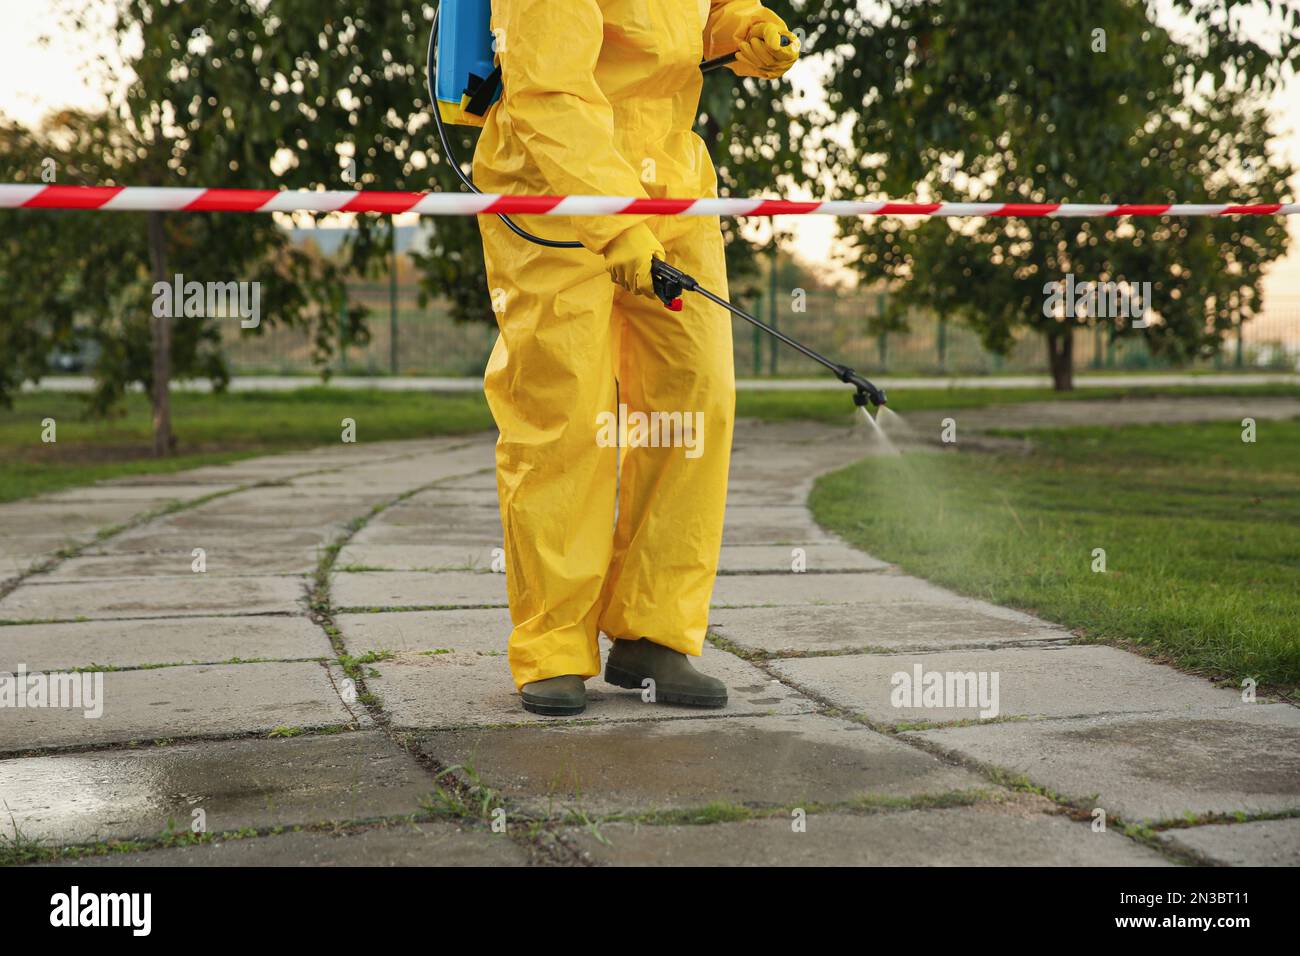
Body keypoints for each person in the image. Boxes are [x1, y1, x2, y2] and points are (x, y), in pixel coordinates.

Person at [472, 0, 800, 715]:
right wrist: (617, 230)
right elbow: (549, 89)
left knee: (696, 397)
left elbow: (688, 20)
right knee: (562, 411)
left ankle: (653, 633)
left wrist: (743, 29)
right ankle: (553, 645)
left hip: (671, 174)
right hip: (551, 182)